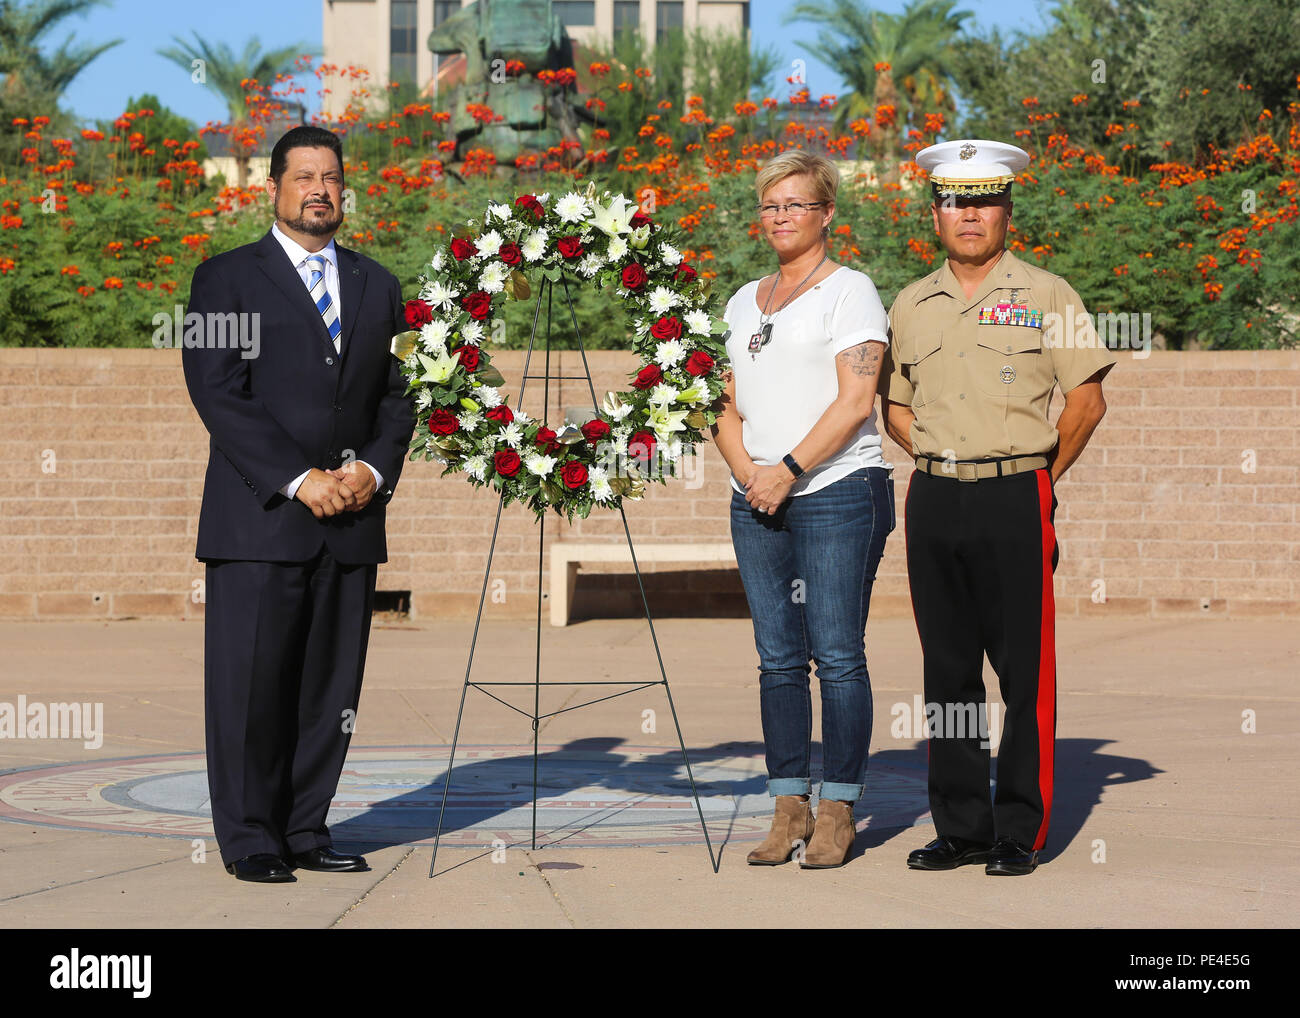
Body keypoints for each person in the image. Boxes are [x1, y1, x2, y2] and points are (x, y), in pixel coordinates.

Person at [182, 126, 415, 883]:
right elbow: (216, 390)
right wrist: (299, 477)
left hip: (352, 524)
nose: (321, 189)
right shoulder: (224, 279)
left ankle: (306, 828)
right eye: (305, 176)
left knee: (327, 690)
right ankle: (250, 838)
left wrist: (371, 475)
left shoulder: (380, 285)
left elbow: (400, 395)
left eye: (332, 177)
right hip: (261, 521)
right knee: (252, 688)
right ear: (275, 188)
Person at [882, 139, 1114, 876]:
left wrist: (1037, 473)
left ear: (1008, 207)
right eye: (955, 200)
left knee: (1024, 669)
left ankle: (1020, 827)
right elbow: (895, 408)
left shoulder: (1052, 295)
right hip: (935, 497)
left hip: (1018, 493)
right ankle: (961, 827)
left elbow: (1087, 399)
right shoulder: (910, 303)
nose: (969, 214)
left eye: (984, 199)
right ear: (935, 212)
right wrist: (947, 454)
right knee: (947, 669)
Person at [712, 150, 893, 870]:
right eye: (770, 205)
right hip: (754, 497)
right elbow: (719, 404)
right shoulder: (739, 301)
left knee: (838, 655)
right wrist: (748, 472)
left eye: (796, 204)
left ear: (826, 214)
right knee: (777, 659)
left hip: (837, 492)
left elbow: (856, 402)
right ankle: (790, 805)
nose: (781, 217)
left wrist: (788, 471)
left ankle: (839, 811)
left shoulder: (850, 292)